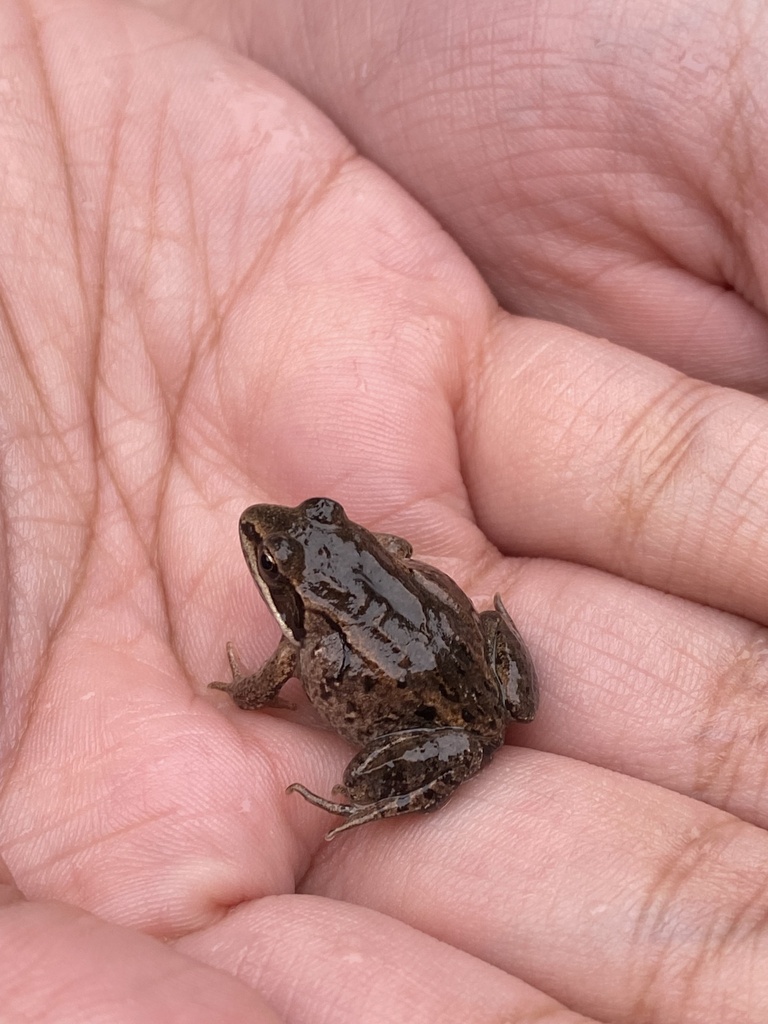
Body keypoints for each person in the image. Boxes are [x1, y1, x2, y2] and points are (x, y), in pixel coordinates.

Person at [1, 1, 765, 1020]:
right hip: (467, 659)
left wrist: (247, 692)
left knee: (381, 762)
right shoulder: (368, 563)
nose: (269, 547)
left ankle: (376, 791)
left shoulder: (309, 638)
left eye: (292, 554)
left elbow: (282, 678)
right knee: (467, 701)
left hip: (436, 713)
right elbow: (382, 578)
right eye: (284, 562)